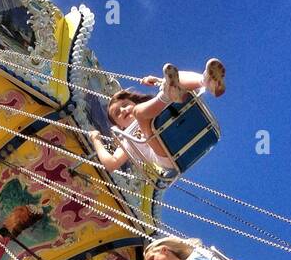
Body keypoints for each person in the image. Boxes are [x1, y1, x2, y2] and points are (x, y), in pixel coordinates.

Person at [88, 60, 225, 179]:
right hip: (166, 156)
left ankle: (206, 82)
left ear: (134, 102)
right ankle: (167, 94)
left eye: (125, 105)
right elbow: (111, 164)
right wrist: (96, 140)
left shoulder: (150, 110)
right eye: (118, 113)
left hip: (180, 127)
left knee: (173, 82)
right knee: (140, 113)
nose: (123, 110)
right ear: (120, 126)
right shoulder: (127, 139)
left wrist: (160, 82)